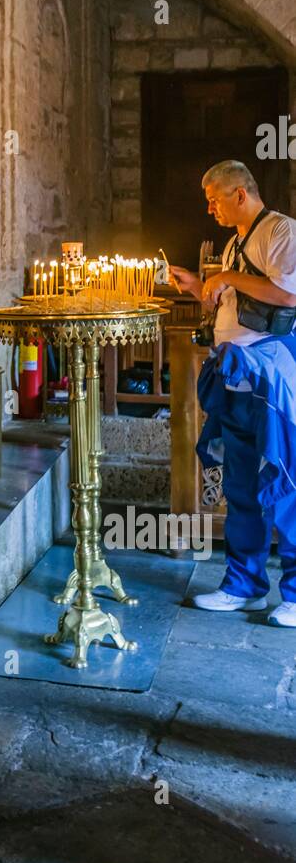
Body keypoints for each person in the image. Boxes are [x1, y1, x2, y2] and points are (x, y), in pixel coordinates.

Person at [170, 161, 296, 627]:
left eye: (215, 198)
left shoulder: (281, 231)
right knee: (241, 485)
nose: (210, 208)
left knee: (283, 482)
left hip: (272, 378)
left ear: (240, 194)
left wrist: (227, 278)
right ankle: (245, 586)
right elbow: (228, 303)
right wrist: (201, 286)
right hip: (234, 376)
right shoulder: (232, 243)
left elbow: (288, 294)